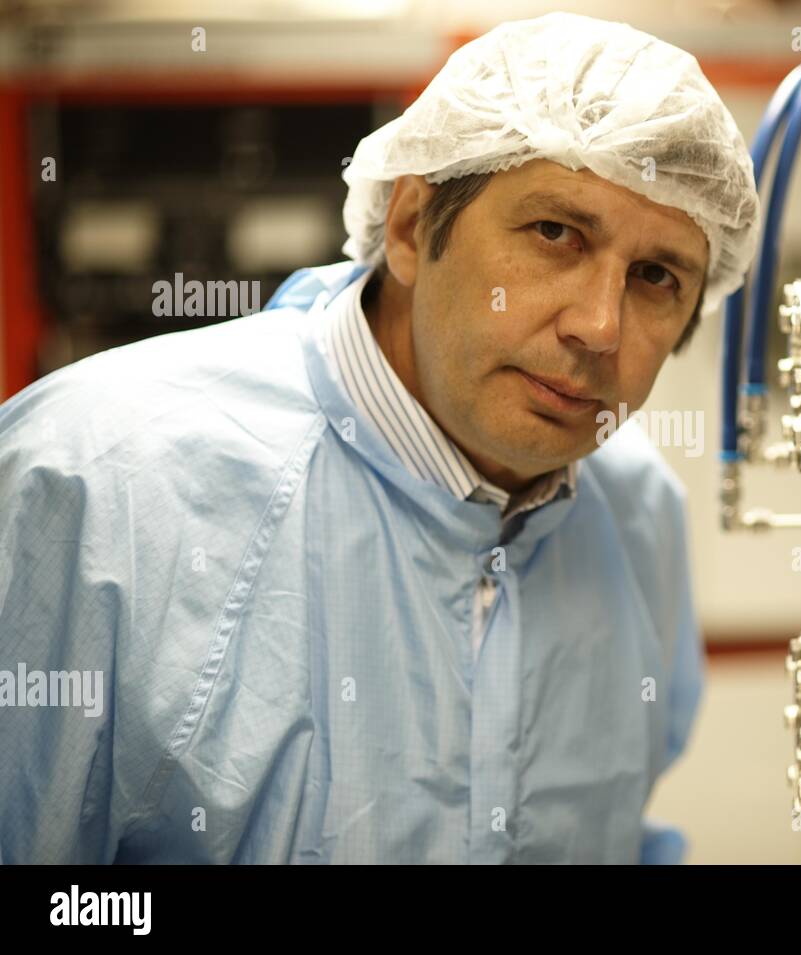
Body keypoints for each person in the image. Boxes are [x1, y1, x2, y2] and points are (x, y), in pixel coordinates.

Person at [0, 11, 759, 863]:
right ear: (409, 224)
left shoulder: (638, 514)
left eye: (656, 276)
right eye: (556, 233)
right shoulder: (93, 484)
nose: (599, 326)